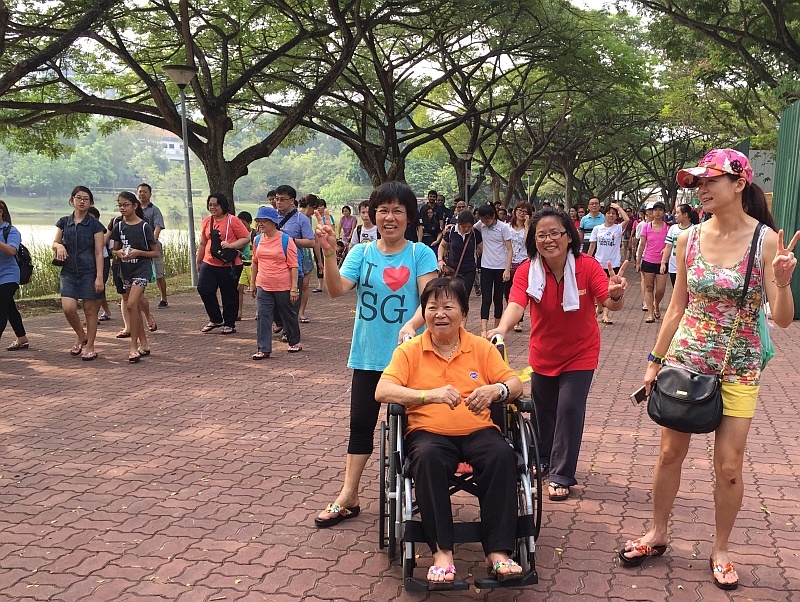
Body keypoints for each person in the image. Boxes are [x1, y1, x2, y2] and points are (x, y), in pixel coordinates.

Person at [619, 148, 800, 591]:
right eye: (696, 182)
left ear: (739, 183)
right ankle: (657, 532)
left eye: (709, 180)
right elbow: (677, 305)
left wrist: (780, 281)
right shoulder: (689, 237)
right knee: (668, 454)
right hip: (686, 359)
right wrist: (653, 362)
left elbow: (781, 319)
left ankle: (720, 548)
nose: (700, 188)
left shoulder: (767, 240)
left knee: (730, 467)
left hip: (739, 366)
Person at [375, 278, 525, 589]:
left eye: (448, 307)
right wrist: (426, 396)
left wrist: (496, 390)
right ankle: (442, 552)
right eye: (432, 307)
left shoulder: (481, 348)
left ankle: (497, 551)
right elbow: (382, 390)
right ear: (424, 313)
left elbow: (515, 384)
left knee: (501, 455)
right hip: (428, 433)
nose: (439, 314)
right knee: (428, 458)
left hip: (479, 429)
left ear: (464, 314)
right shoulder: (411, 350)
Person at [312, 181, 438, 528]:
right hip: (368, 356)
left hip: (411, 356)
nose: (390, 217)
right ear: (373, 214)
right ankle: (348, 495)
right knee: (360, 426)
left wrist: (411, 326)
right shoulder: (361, 253)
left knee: (419, 429)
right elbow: (336, 291)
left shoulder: (420, 254)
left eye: (398, 210)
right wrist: (327, 254)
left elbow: (431, 302)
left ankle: (420, 494)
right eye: (383, 210)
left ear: (409, 216)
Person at [487, 207, 627, 501]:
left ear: (569, 236)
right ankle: (541, 458)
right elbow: (516, 304)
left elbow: (609, 303)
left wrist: (616, 294)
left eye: (555, 233)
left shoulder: (587, 266)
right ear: (533, 240)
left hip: (581, 352)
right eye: (541, 235)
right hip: (543, 352)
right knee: (543, 411)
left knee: (569, 409)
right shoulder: (528, 270)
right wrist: (501, 329)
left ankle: (562, 473)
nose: (549, 240)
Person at [53, 186, 106, 360]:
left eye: (85, 199)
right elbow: (55, 242)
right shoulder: (63, 222)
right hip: (68, 271)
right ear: (72, 200)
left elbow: (99, 252)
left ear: (91, 203)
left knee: (90, 311)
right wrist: (59, 246)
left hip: (89, 271)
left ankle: (90, 345)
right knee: (68, 308)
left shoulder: (96, 226)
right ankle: (81, 335)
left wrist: (99, 277)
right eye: (78, 198)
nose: (81, 201)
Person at [109, 191, 159, 363]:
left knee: (131, 304)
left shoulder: (144, 227)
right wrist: (119, 252)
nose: (122, 208)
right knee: (134, 308)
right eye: (120, 205)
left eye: (126, 205)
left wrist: (139, 252)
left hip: (142, 270)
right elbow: (113, 250)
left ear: (135, 206)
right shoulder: (119, 226)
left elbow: (154, 252)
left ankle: (133, 347)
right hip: (126, 270)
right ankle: (144, 344)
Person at [196, 193, 251, 335]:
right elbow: (203, 242)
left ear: (223, 205)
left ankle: (229, 323)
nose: (213, 207)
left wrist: (232, 245)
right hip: (209, 262)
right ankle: (215, 318)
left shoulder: (233, 220)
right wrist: (199, 260)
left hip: (229, 264)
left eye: (216, 204)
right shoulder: (207, 221)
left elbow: (246, 237)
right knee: (204, 289)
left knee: (229, 295)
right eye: (210, 205)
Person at [250, 206, 300, 358]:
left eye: (264, 221)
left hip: (283, 285)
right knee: (263, 316)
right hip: (263, 284)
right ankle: (263, 348)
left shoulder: (286, 240)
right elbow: (255, 262)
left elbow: (293, 265)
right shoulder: (257, 240)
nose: (261, 224)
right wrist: (252, 283)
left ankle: (294, 341)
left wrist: (294, 288)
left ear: (273, 222)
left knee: (287, 314)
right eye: (259, 221)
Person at [272, 185, 315, 337]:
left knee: (290, 300)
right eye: (277, 199)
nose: (278, 202)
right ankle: (279, 322)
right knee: (272, 299)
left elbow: (311, 242)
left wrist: (290, 241)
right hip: (272, 265)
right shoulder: (271, 217)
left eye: (282, 199)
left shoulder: (301, 219)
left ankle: (288, 331)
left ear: (292, 201)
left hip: (293, 264)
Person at [473, 204, 513, 337]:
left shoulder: (503, 228)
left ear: (493, 216)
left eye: (487, 220)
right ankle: (484, 329)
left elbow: (510, 249)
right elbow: (469, 227)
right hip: (486, 267)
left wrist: (507, 269)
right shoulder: (481, 225)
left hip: (500, 267)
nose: (485, 223)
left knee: (497, 298)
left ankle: (496, 328)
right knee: (486, 298)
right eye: (482, 220)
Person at [588, 202, 630, 324]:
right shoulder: (597, 229)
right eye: (608, 213)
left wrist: (618, 207)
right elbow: (592, 246)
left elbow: (626, 219)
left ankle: (605, 315)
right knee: (597, 288)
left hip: (613, 264)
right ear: (604, 215)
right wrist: (588, 260)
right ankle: (599, 307)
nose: (611, 215)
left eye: (613, 214)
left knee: (609, 289)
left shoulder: (617, 228)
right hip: (598, 263)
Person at [0, 199, 29, 352]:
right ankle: (22, 338)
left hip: (9, 276)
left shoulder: (11, 231)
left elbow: (12, 251)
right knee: (9, 307)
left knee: (1, 308)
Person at [437, 210, 483, 306]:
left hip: (469, 270)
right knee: (453, 297)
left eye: (469, 227)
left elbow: (482, 249)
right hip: (453, 270)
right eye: (464, 226)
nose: (466, 229)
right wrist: (440, 260)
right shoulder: (451, 232)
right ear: (459, 223)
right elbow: (442, 246)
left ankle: (463, 321)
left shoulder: (475, 234)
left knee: (464, 299)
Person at [636, 200, 669, 323]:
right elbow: (642, 245)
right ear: (652, 212)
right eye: (655, 210)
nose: (657, 212)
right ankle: (650, 313)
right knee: (649, 287)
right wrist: (638, 261)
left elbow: (669, 245)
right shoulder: (646, 226)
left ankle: (656, 304)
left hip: (662, 263)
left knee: (660, 290)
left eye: (660, 210)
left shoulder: (668, 228)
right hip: (648, 261)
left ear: (664, 212)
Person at [137, 183, 168, 310]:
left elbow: (158, 226)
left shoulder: (154, 210)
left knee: (159, 272)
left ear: (150, 194)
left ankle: (164, 298)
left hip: (152, 245)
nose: (142, 194)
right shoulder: (134, 209)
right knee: (137, 273)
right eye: (140, 191)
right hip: (137, 246)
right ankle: (138, 297)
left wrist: (152, 241)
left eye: (145, 192)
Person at [507, 202, 532, 332]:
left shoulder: (529, 228)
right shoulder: (507, 227)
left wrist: (527, 225)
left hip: (523, 261)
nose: (522, 213)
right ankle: (510, 317)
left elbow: (529, 243)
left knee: (521, 291)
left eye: (525, 211)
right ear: (514, 211)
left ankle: (518, 320)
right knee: (508, 292)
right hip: (508, 262)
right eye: (520, 210)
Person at [661, 203, 699, 287]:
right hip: (673, 267)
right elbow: (668, 246)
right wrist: (663, 262)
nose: (675, 215)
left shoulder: (694, 229)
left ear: (685, 214)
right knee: (675, 290)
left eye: (678, 213)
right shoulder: (673, 228)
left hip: (688, 268)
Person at [87, 206, 113, 323]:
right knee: (94, 288)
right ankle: (106, 311)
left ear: (97, 219)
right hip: (88, 261)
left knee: (98, 288)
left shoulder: (102, 231)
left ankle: (93, 317)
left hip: (103, 260)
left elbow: (108, 247)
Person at [236, 211, 253, 321]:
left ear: (249, 223)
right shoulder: (239, 235)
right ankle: (239, 311)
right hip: (242, 264)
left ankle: (259, 311)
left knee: (255, 289)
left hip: (253, 265)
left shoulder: (255, 234)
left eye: (244, 224)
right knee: (239, 288)